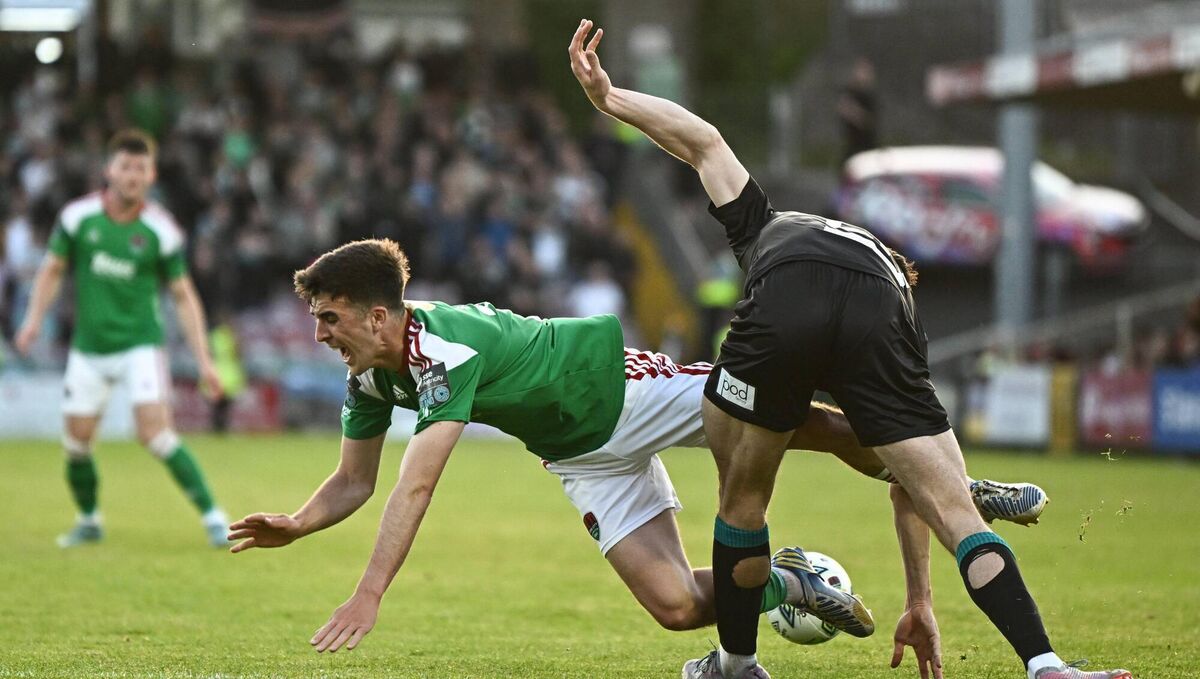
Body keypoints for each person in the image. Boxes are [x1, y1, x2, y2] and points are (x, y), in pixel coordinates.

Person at [567, 19, 1130, 679]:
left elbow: (703, 142)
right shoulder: (901, 300)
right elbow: (906, 491)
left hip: (784, 291)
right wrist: (920, 597)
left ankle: (737, 664)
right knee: (947, 502)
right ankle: (1045, 663)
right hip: (877, 314)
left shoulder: (768, 223)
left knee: (743, 496)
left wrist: (611, 99)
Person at [227, 238, 1046, 656]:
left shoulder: (443, 348)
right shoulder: (373, 377)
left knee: (815, 428)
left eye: (329, 316)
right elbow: (355, 482)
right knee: (678, 607)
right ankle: (793, 579)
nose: (318, 332)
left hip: (623, 388)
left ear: (378, 315)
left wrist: (369, 594)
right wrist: (300, 524)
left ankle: (958, 488)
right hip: (582, 455)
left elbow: (415, 486)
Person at [14, 129, 231, 549]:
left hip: (140, 346)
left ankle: (214, 517)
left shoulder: (160, 230)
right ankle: (89, 519)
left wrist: (205, 360)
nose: (132, 175)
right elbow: (52, 270)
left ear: (151, 177)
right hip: (89, 348)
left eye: (141, 168)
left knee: (156, 434)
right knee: (76, 442)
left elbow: (184, 296)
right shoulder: (78, 218)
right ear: (108, 170)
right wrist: (32, 320)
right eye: (126, 166)